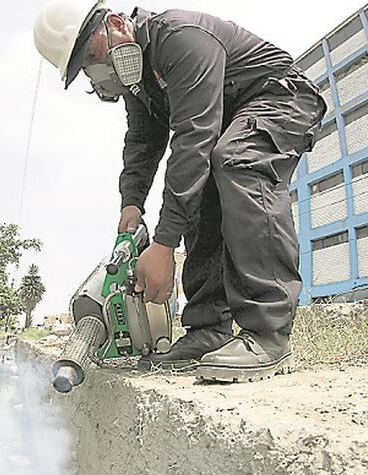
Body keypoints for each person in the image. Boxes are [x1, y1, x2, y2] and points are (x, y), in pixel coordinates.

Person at [33, 1, 326, 382]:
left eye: (93, 54)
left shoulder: (181, 38)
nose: (96, 70)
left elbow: (194, 139)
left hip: (283, 99)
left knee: (236, 159)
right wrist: (131, 204)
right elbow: (141, 143)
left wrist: (165, 245)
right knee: (202, 184)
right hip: (232, 117)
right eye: (86, 67)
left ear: (117, 24)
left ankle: (269, 335)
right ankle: (208, 330)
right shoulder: (140, 83)